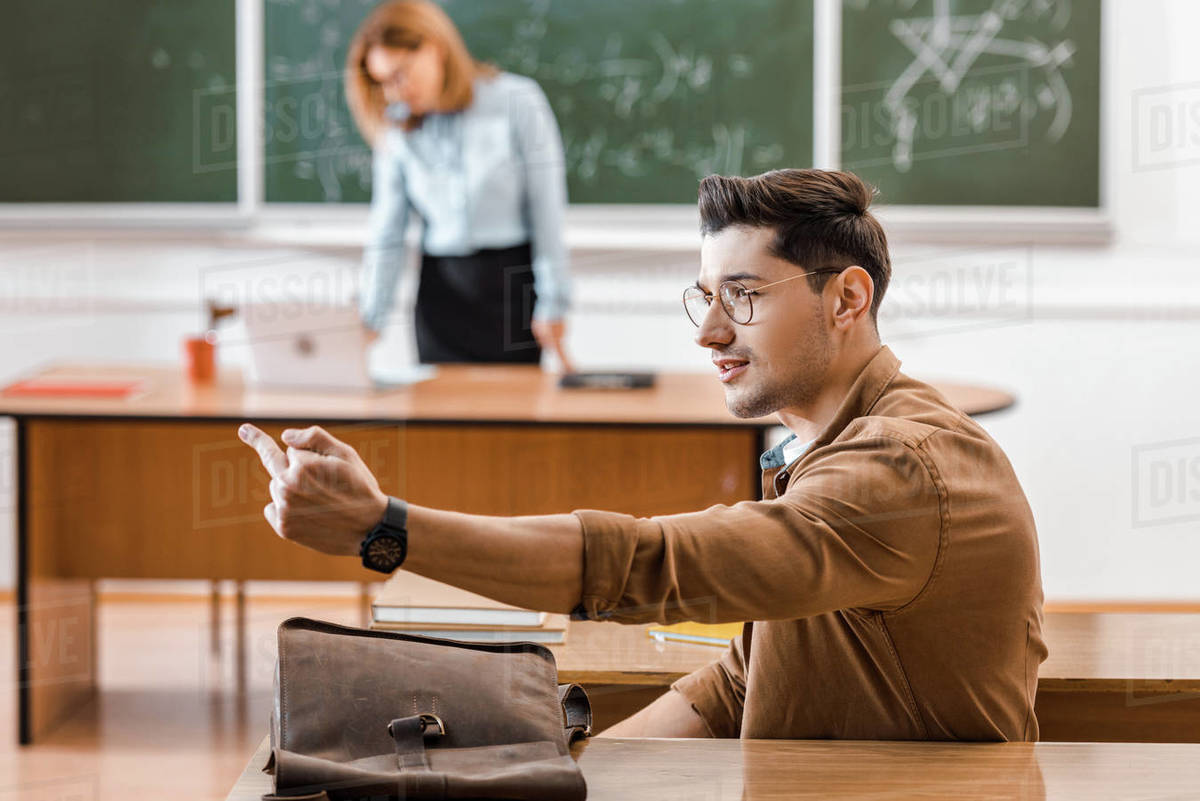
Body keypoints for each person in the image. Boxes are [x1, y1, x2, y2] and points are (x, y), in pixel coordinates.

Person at [238, 168, 1047, 741]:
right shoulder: (822, 448)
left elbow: (656, 566)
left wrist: (384, 528)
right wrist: (583, 773)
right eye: (706, 295)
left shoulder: (900, 468)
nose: (709, 331)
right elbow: (737, 686)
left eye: (744, 295)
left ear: (847, 298)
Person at [346, 0, 573, 368]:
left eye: (401, 73)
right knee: (437, 420)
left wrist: (553, 302)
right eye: (383, 82)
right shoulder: (397, 128)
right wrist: (370, 319)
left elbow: (546, 212)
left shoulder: (518, 102)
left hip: (510, 288)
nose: (394, 92)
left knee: (511, 417)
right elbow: (386, 232)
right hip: (439, 295)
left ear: (435, 47)